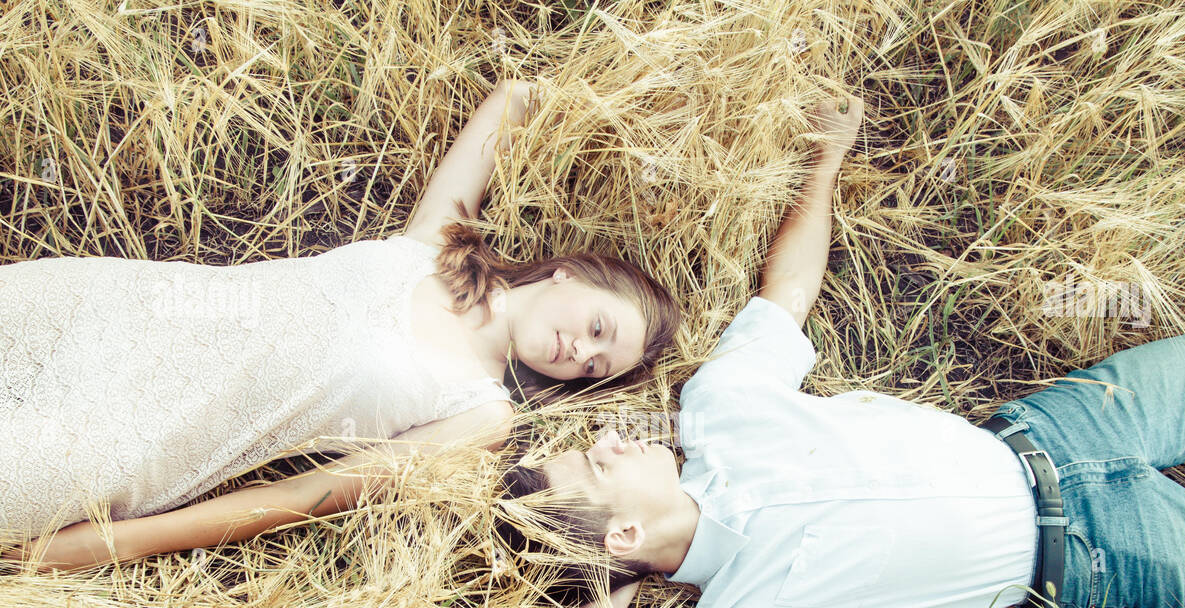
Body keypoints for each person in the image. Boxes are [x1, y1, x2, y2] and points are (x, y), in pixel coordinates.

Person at [498, 92, 1185, 608]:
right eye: (597, 463)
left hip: (1063, 429)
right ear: (624, 538)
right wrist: (599, 606)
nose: (609, 436)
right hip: (1105, 555)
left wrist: (826, 162)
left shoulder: (719, 407)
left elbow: (789, 292)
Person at [1, 78, 680, 571]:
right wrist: (620, 112)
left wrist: (111, 544)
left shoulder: (482, 414)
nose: (579, 352)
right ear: (571, 273)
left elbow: (300, 498)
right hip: (106, 307)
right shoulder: (434, 247)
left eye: (595, 365)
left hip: (134, 437)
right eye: (597, 327)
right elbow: (511, 100)